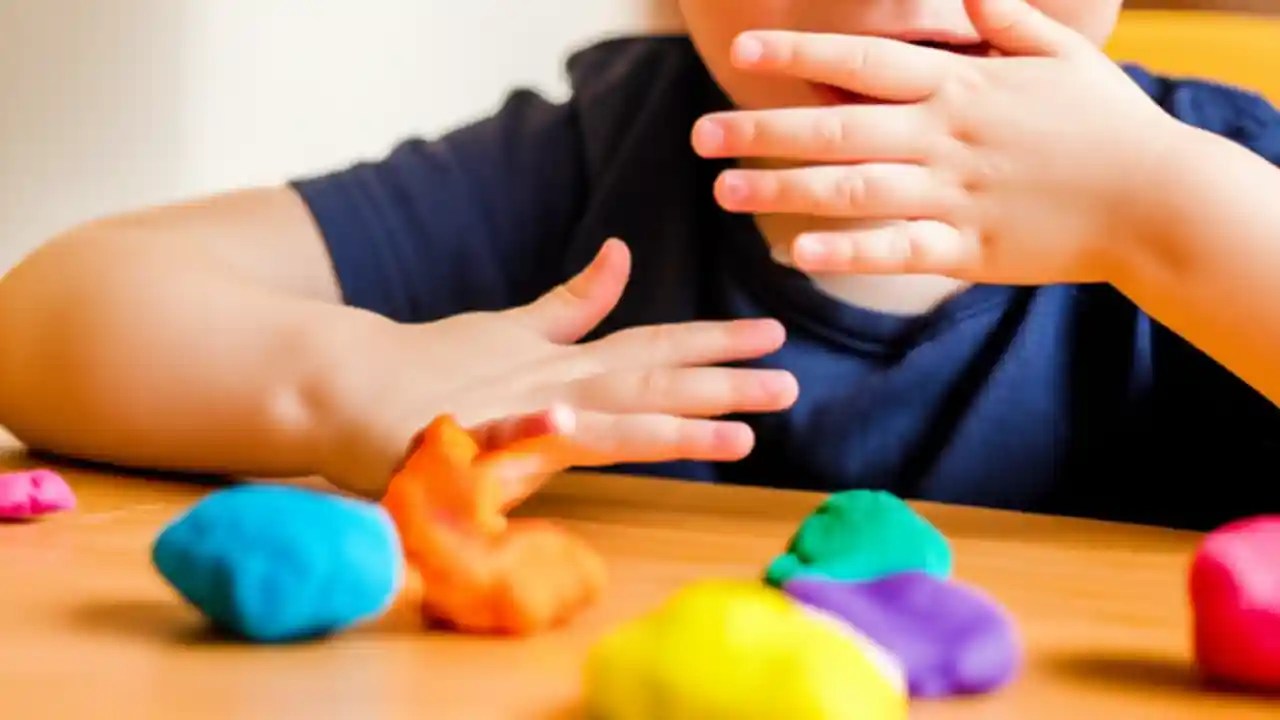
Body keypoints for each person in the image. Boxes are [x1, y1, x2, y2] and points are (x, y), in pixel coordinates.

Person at [2, 0, 1279, 530]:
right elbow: (50, 314)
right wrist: (351, 382)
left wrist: (1164, 215)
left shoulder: (1216, 183)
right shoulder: (595, 163)